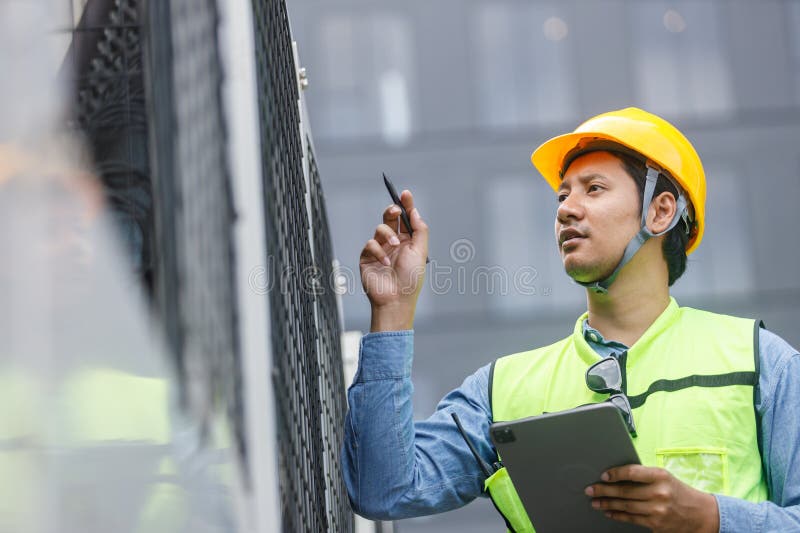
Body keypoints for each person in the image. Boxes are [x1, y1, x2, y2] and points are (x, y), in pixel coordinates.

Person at [343, 108, 800, 532]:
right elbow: (384, 489)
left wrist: (709, 517)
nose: (565, 208)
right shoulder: (503, 389)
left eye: (593, 189)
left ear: (660, 212)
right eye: (563, 195)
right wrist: (393, 312)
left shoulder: (760, 363)